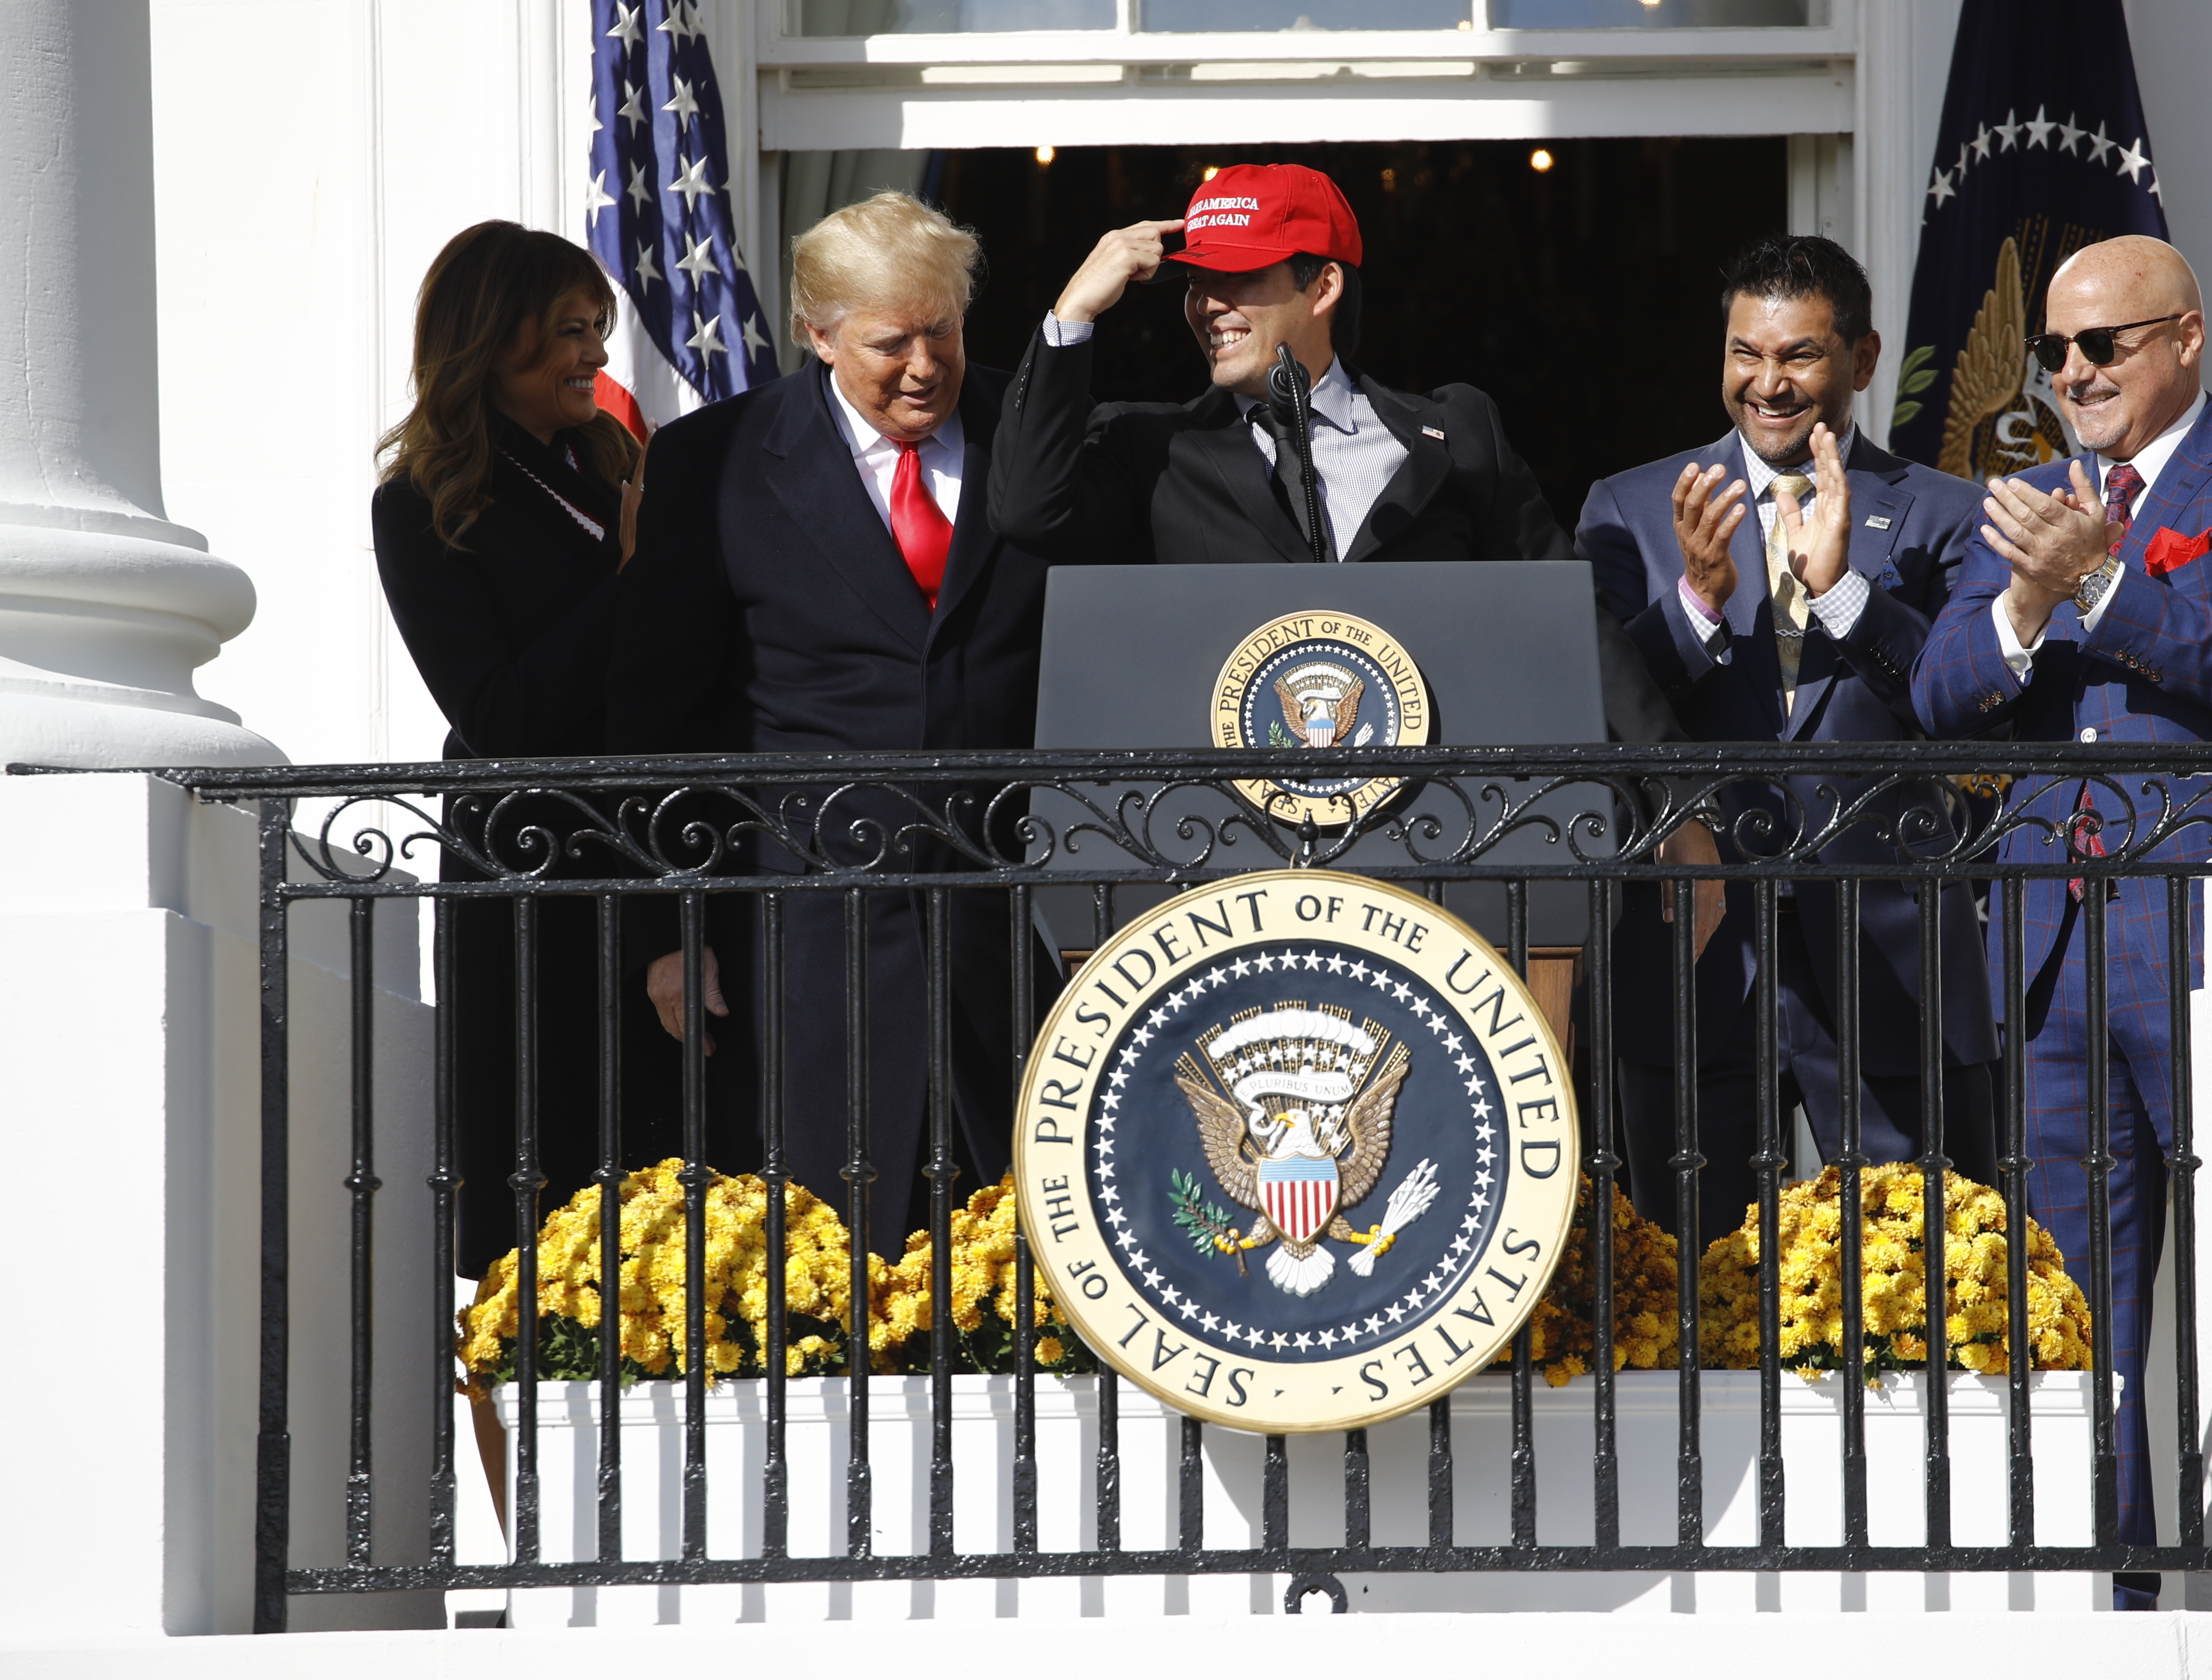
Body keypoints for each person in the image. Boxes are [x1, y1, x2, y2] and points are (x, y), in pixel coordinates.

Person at [1912, 235, 2212, 1609]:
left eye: (2104, 346)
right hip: (2052, 948)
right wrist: (2033, 599)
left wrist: (2106, 586)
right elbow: (1939, 696)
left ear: (2185, 338)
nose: (2074, 374)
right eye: (2055, 352)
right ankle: (2107, 1596)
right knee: (2070, 1302)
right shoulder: (2028, 501)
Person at [606, 191, 1052, 1256]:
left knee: (1040, 1247)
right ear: (817, 335)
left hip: (1019, 921)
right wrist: (671, 931)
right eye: (888, 342)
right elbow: (661, 710)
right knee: (829, 1261)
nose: (923, 366)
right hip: (810, 936)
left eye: (940, 330)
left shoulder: (1034, 439)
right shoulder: (716, 463)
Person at [1576, 234, 2000, 1253]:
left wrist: (1848, 591)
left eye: (1800, 356)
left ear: (1861, 361)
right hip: (1695, 959)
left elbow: (1961, 701)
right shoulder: (1630, 508)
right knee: (1683, 1299)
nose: (1767, 384)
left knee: (1927, 1287)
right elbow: (1594, 713)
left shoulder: (1947, 514)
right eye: (1745, 354)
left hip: (1886, 963)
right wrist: (1696, 603)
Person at [985, 160, 1681, 746]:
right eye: (1198, 281)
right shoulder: (1154, 448)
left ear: (1322, 287)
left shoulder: (1454, 432)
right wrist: (1070, 316)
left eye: (1240, 277)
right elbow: (1027, 511)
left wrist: (1668, 790)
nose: (1208, 304)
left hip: (1432, 839)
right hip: (1224, 848)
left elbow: (1565, 613)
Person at [370, 219, 679, 1278]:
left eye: (598, 327)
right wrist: (637, 580)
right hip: (534, 891)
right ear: (492, 340)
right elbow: (497, 713)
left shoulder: (608, 469)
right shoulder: (422, 507)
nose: (596, 354)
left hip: (652, 871)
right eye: (570, 331)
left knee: (672, 1196)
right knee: (547, 1212)